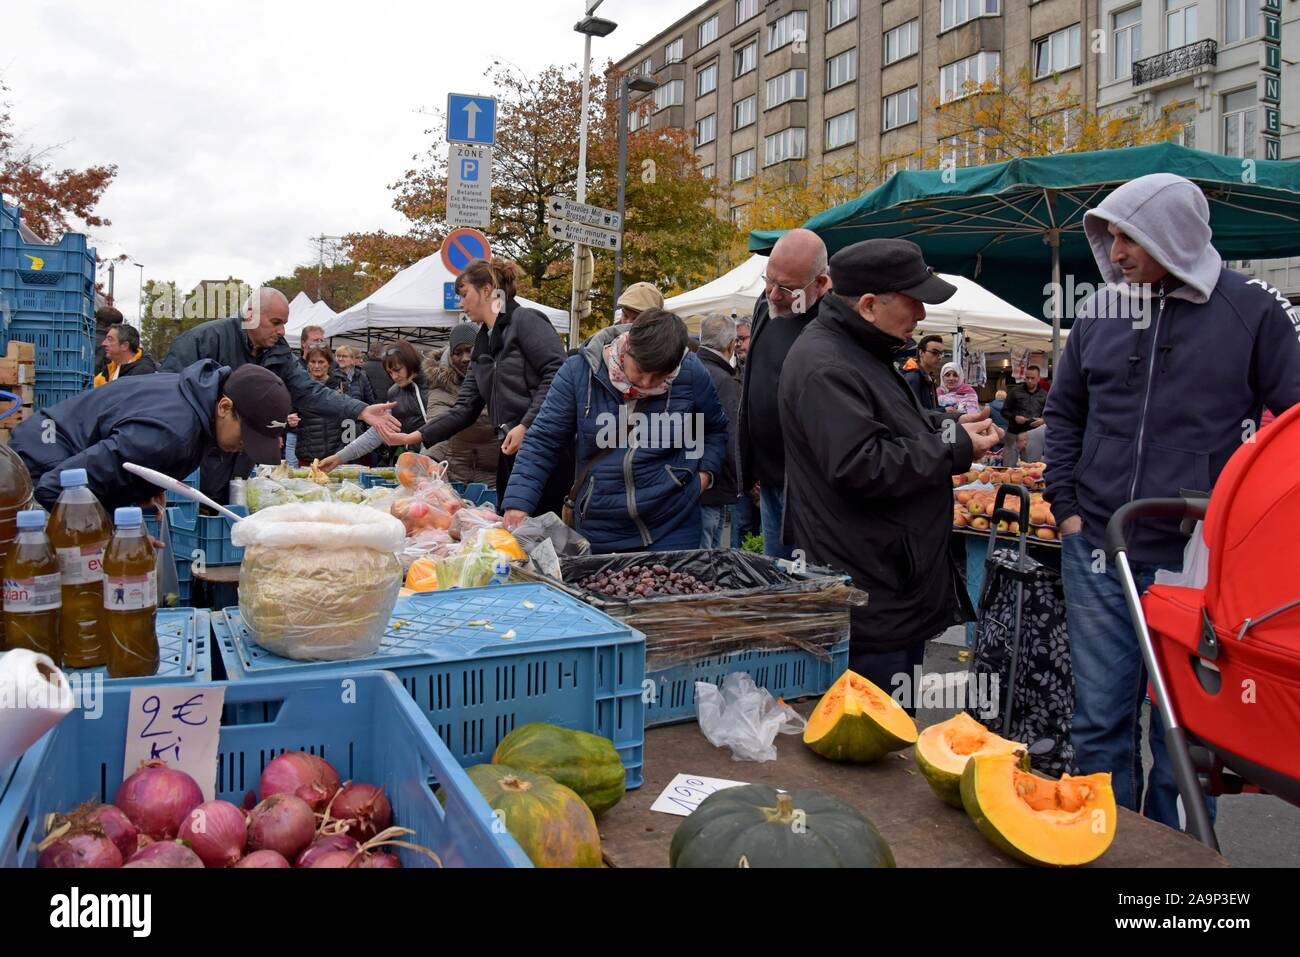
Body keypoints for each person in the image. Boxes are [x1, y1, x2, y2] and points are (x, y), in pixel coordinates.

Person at [1046, 173, 1300, 829]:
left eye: (1130, 235)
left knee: (1182, 731)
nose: (1117, 249)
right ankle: (1098, 842)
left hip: (1198, 561)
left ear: (1173, 234)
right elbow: (1065, 410)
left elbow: (1291, 430)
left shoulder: (1252, 309)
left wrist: (1249, 532)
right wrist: (1066, 503)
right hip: (1098, 546)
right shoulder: (1101, 310)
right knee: (1098, 718)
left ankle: (1174, 869)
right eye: (1112, 234)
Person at [779, 239, 1002, 702]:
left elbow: (892, 422)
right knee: (873, 733)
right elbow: (862, 464)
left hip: (886, 579)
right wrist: (953, 447)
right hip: (868, 588)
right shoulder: (828, 363)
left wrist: (949, 426)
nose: (921, 313)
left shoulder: (862, 347)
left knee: (887, 728)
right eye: (913, 300)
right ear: (868, 305)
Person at [499, 309, 728, 553]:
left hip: (673, 525)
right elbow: (543, 441)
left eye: (660, 375)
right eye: (641, 371)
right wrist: (518, 503)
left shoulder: (691, 372)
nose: (647, 384)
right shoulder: (578, 372)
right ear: (627, 346)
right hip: (600, 527)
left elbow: (713, 428)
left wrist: (703, 477)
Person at [160, 288, 397, 500]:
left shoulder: (279, 351)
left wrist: (360, 409)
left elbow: (308, 390)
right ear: (251, 314)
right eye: (275, 322)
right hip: (197, 463)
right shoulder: (205, 340)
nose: (282, 330)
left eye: (283, 323)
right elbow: (170, 397)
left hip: (240, 461)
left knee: (228, 515)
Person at [381, 259, 570, 511]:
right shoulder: (482, 340)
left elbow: (557, 372)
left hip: (544, 451)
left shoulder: (526, 320)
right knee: (516, 534)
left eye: (464, 294)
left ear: (487, 290)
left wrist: (526, 425)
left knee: (543, 532)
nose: (460, 303)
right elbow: (464, 409)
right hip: (509, 453)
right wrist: (413, 436)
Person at [11, 361, 291, 512]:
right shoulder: (170, 434)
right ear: (225, 406)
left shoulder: (196, 396)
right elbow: (56, 488)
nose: (244, 449)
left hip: (57, 453)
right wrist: (116, 538)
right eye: (246, 438)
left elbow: (120, 454)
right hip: (37, 467)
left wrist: (139, 488)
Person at [738, 228, 831, 561]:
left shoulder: (834, 324)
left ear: (820, 284)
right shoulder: (766, 305)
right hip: (769, 482)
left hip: (808, 492)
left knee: (805, 584)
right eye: (769, 281)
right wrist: (752, 467)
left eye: (787, 288)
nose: (774, 294)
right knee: (777, 577)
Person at [321, 341, 432, 468]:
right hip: (419, 464)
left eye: (397, 370)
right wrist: (339, 457)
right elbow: (377, 432)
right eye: (390, 372)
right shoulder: (394, 393)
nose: (394, 376)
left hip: (444, 463)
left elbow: (443, 427)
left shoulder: (435, 384)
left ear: (410, 362)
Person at [422, 322, 498, 485]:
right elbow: (438, 423)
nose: (465, 358)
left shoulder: (500, 378)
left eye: (470, 350)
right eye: (458, 352)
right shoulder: (442, 385)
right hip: (458, 476)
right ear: (450, 356)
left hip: (498, 476)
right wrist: (430, 460)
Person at [696, 314, 742, 548]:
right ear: (731, 344)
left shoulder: (689, 369)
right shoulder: (723, 379)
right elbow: (729, 435)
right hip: (714, 482)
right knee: (708, 558)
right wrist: (740, 481)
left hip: (693, 479)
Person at [292, 345, 345, 465]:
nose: (316, 366)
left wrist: (342, 451)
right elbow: (288, 419)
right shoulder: (298, 386)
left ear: (329, 363)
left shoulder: (340, 385)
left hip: (335, 455)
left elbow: (351, 422)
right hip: (307, 455)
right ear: (307, 363)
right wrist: (289, 423)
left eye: (321, 362)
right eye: (313, 362)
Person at [1002, 364, 1047, 466]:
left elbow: (1049, 415)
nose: (1029, 381)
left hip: (1032, 436)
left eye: (1032, 378)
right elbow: (1004, 411)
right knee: (1008, 467)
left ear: (1038, 378)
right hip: (1013, 434)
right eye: (1027, 378)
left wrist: (1043, 420)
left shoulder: (1045, 395)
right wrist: (1014, 417)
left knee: (1030, 468)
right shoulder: (1014, 392)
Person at [901, 334, 944, 410]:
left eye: (941, 353)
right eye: (934, 352)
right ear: (921, 353)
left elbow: (930, 408)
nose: (939, 357)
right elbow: (916, 412)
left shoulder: (929, 376)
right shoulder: (913, 377)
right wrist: (944, 410)